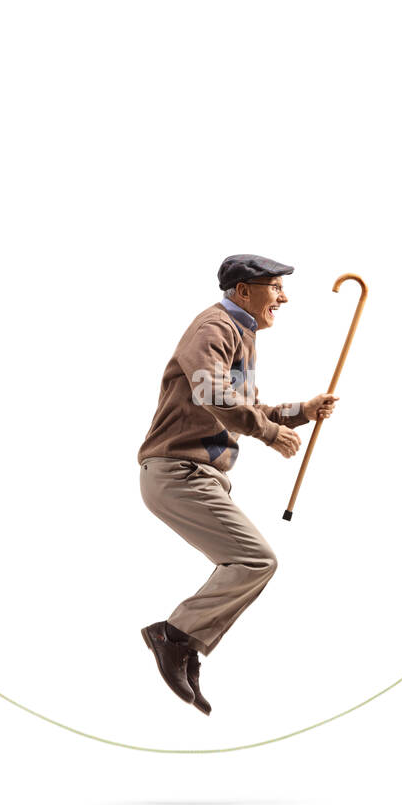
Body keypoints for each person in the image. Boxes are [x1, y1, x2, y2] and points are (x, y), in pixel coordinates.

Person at [137, 254, 338, 714]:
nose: (283, 297)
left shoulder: (239, 335)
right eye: (275, 287)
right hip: (176, 472)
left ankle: (183, 642)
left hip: (193, 475)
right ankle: (174, 636)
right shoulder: (215, 328)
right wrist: (269, 434)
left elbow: (242, 406)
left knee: (250, 561)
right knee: (255, 559)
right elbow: (212, 396)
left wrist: (300, 412)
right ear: (244, 292)